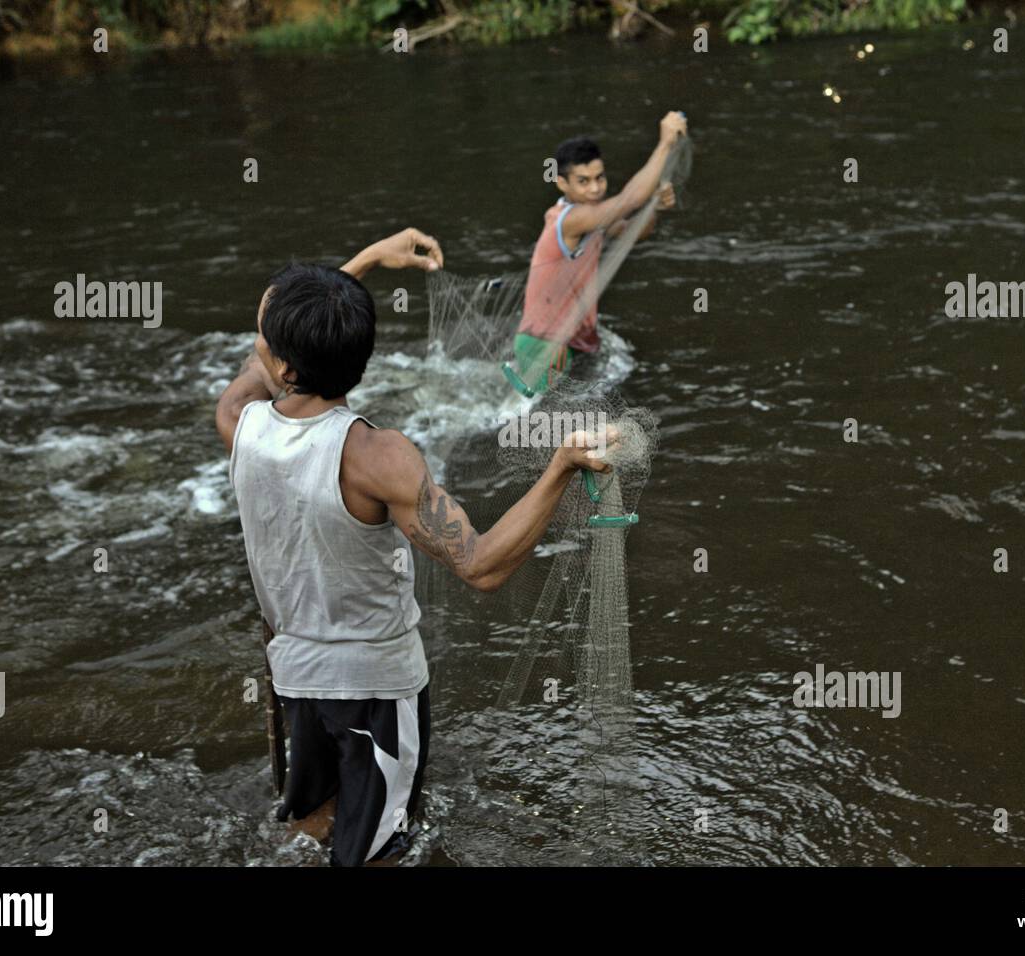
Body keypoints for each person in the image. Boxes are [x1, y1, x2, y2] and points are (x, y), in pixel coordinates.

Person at [214, 228, 618, 866]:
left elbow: (270, 345)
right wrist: (561, 465)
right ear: (365, 357)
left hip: (293, 673)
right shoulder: (379, 458)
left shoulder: (242, 423)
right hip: (374, 687)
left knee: (309, 823)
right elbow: (482, 566)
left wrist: (368, 260)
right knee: (378, 852)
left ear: (281, 363)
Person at [513, 111, 687, 392]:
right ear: (561, 183)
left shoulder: (593, 219)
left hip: (572, 340)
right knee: (549, 426)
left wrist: (654, 206)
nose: (595, 189)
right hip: (543, 347)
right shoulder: (570, 219)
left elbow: (637, 231)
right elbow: (629, 200)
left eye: (600, 178)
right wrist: (664, 145)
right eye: (583, 181)